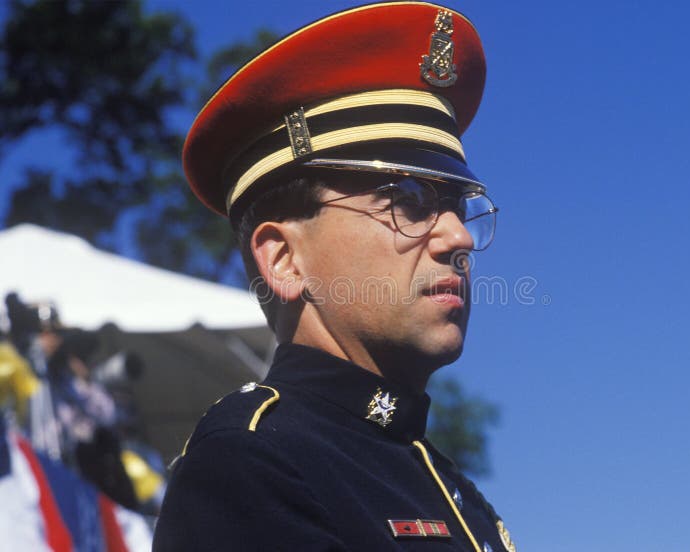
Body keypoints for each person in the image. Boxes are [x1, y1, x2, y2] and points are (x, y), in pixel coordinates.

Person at [153, 3, 515, 551]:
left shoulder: (452, 489)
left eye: (456, 206)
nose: (458, 239)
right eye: (409, 200)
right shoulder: (251, 464)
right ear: (283, 260)